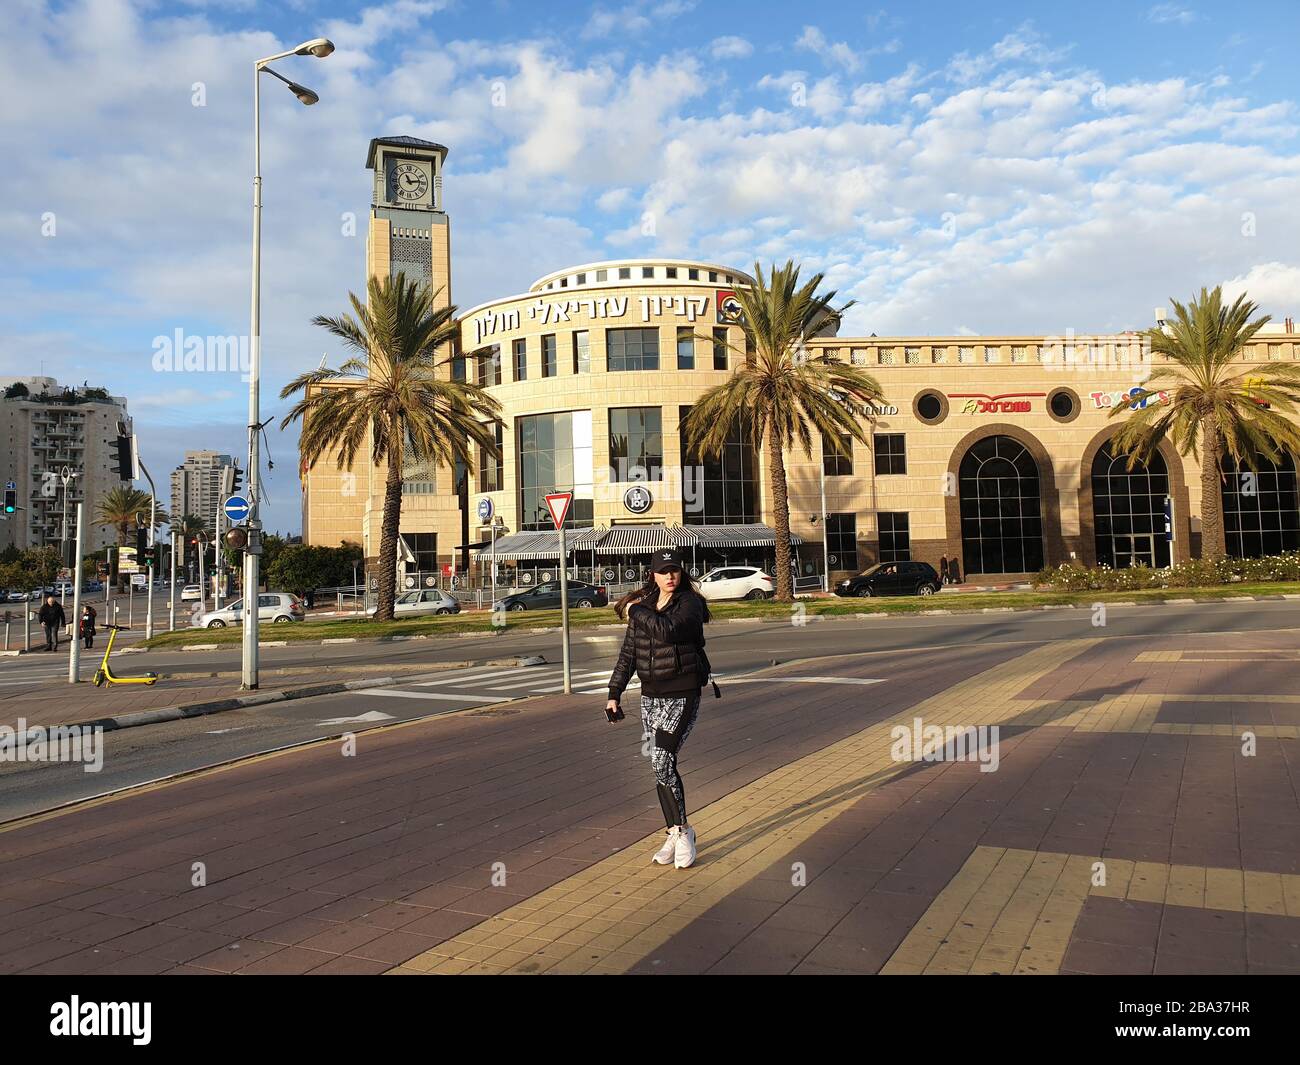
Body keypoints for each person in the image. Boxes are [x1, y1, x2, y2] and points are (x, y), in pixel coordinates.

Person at [607, 548, 718, 870]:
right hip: (650, 695)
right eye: (664, 571)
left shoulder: (690, 604)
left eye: (675, 570)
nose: (670, 576)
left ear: (682, 573)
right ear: (652, 574)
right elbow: (629, 653)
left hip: (682, 691)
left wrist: (635, 611)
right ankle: (674, 831)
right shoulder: (643, 608)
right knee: (659, 767)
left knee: (661, 758)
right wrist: (614, 692)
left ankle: (683, 832)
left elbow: (668, 630)